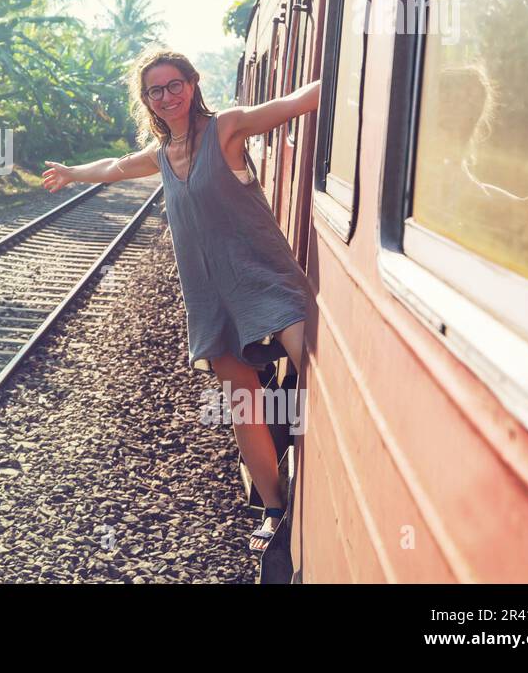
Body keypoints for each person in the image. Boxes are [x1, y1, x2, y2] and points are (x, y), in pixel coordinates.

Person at [42, 46, 320, 554]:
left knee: (321, 373)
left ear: (192, 85)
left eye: (175, 85)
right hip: (211, 298)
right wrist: (72, 173)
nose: (167, 96)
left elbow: (296, 101)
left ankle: (339, 472)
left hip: (266, 282)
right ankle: (276, 508)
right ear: (147, 101)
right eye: (156, 90)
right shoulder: (160, 157)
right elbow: (113, 165)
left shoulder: (227, 128)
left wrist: (357, 72)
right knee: (243, 406)